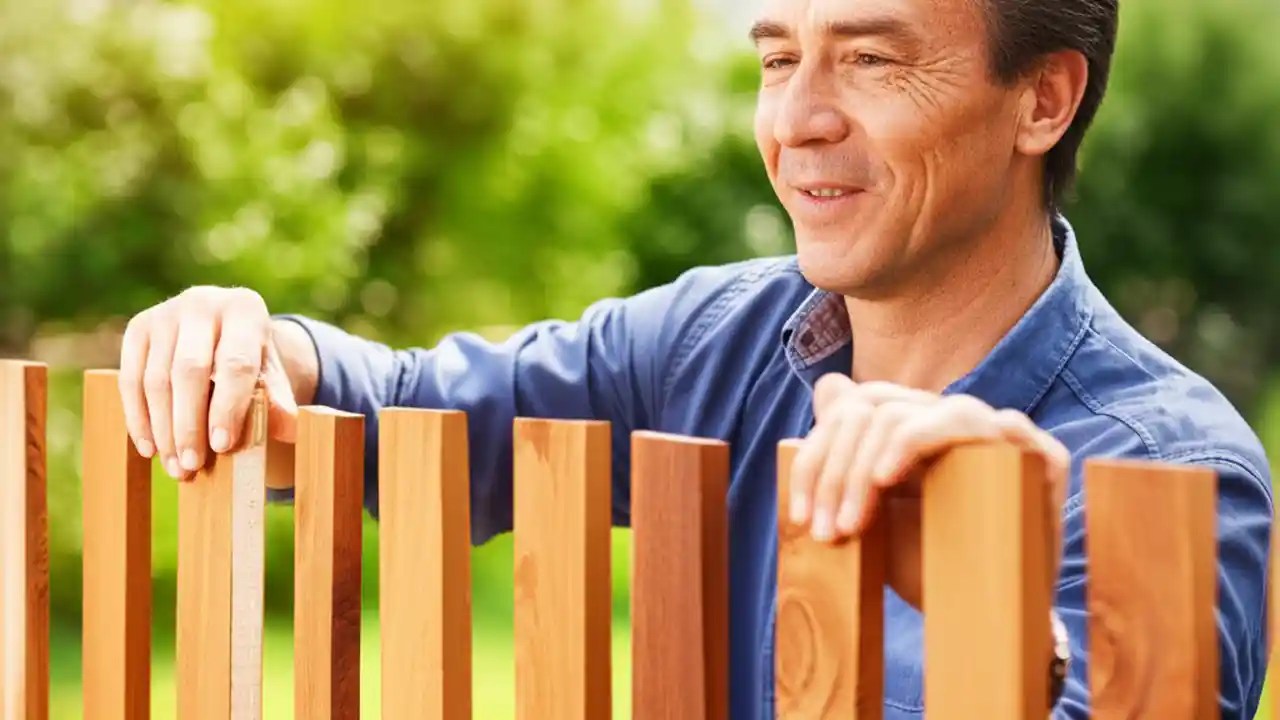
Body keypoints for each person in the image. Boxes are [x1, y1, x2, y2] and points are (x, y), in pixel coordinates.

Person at [116, 0, 1273, 716]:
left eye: (869, 59)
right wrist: (254, 348)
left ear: (1041, 101)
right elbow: (411, 418)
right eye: (779, 60)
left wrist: (999, 609)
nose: (797, 122)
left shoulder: (1166, 475)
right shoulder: (711, 344)